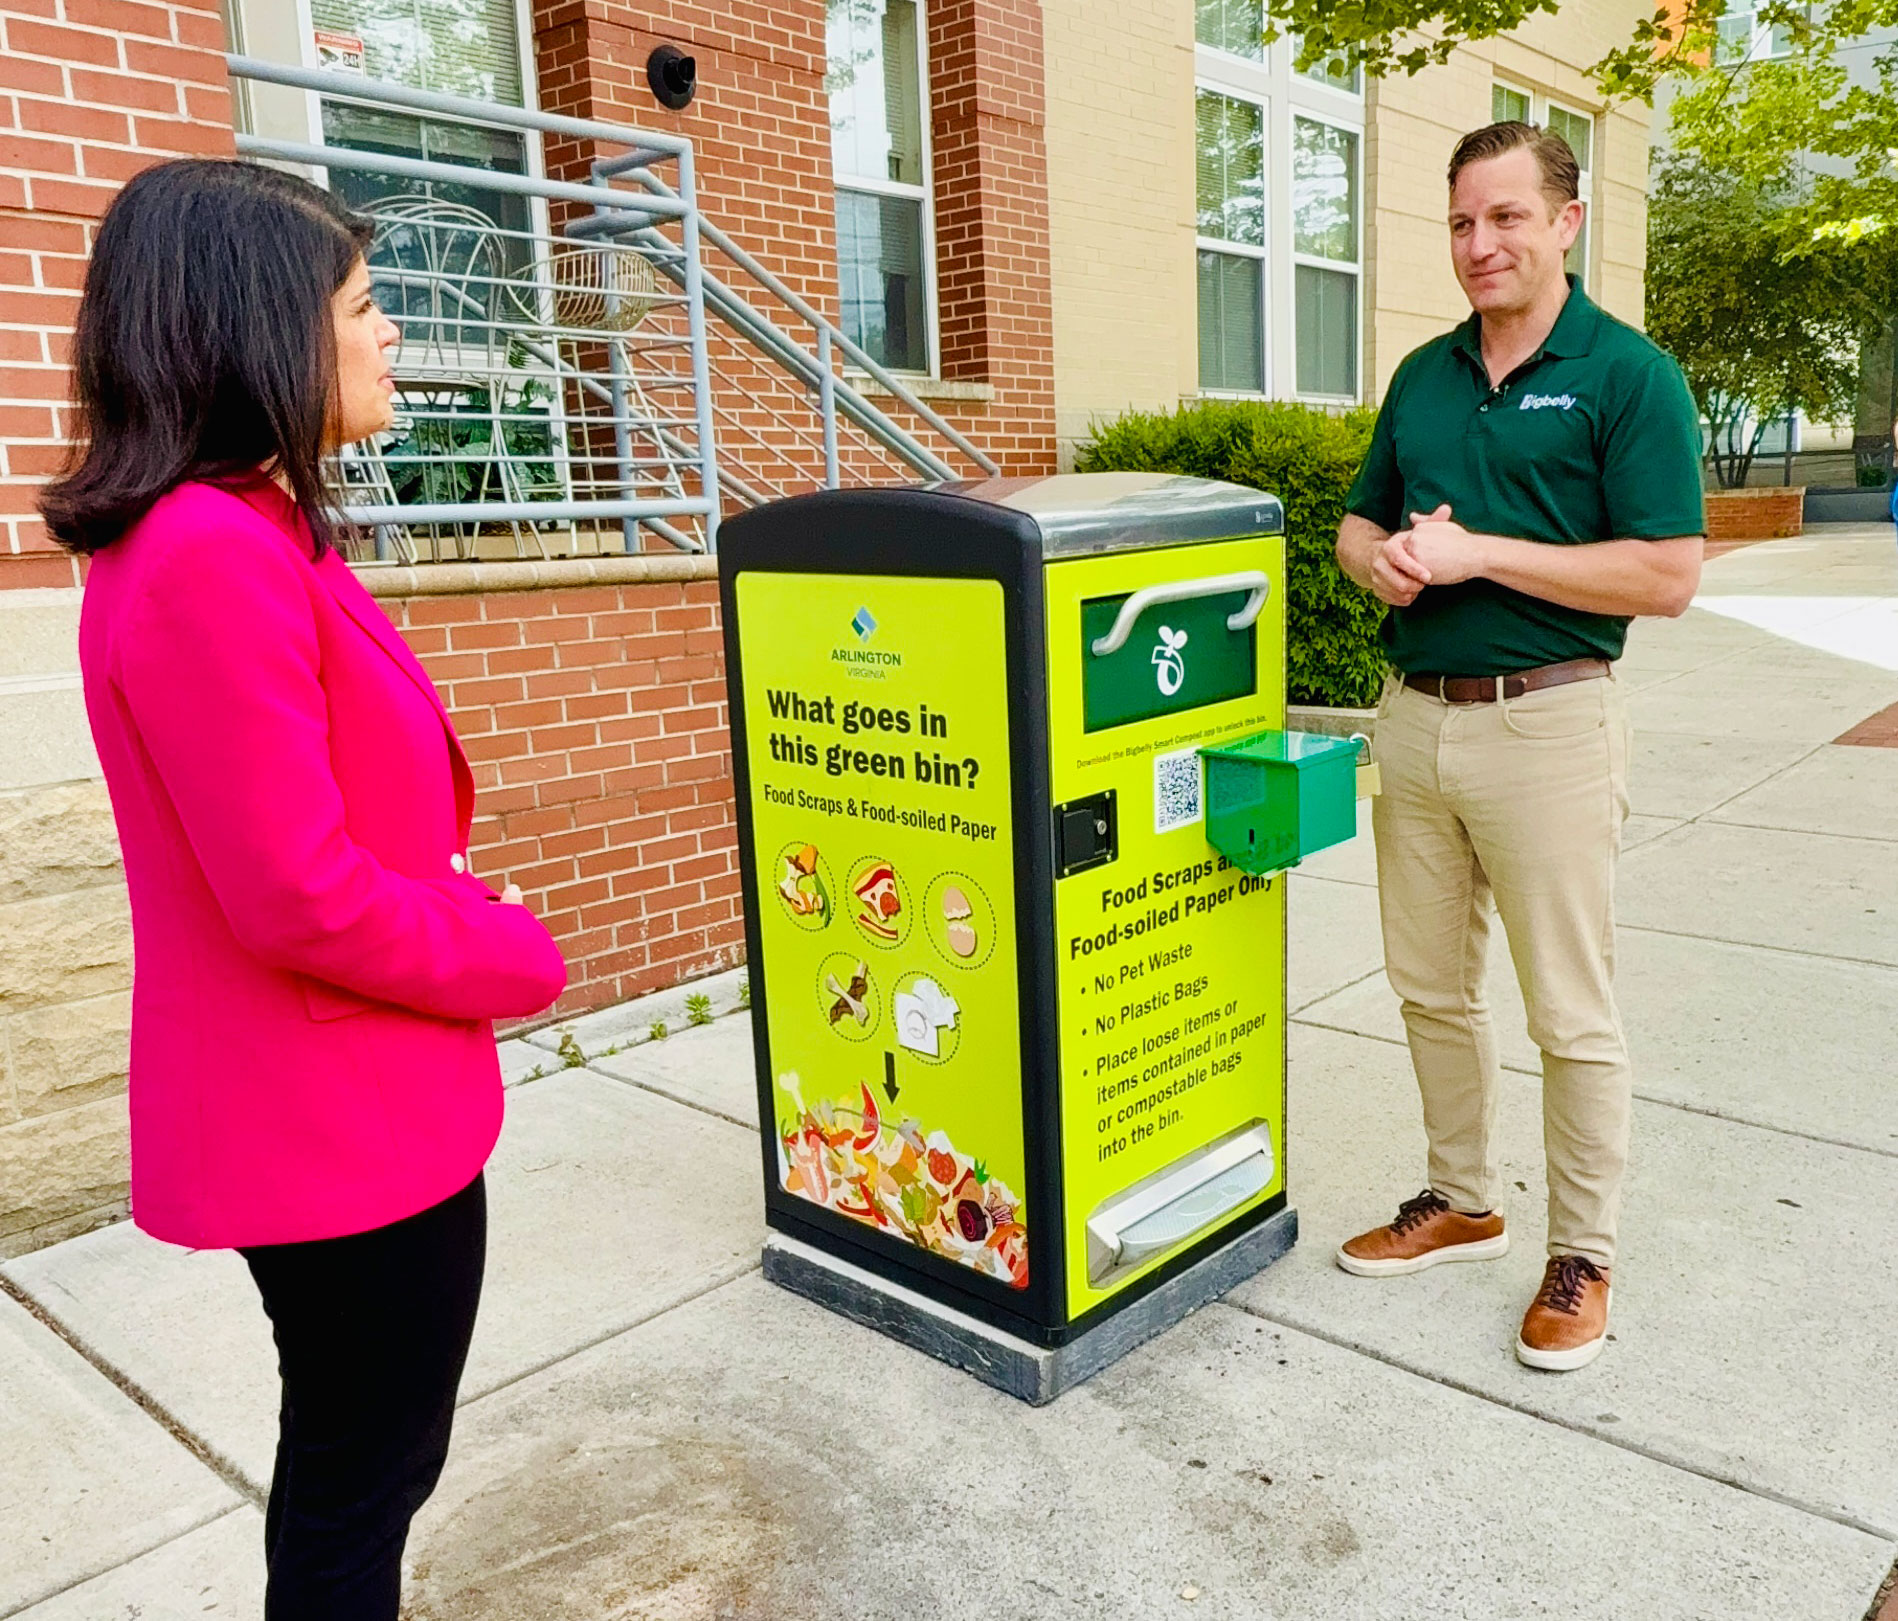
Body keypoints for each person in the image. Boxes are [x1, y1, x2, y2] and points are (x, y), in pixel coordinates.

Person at [41, 161, 569, 1616]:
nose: (394, 331)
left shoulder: (243, 529)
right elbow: (295, 894)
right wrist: (506, 950)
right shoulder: (209, 550)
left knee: (371, 1460)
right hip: (330, 1130)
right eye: (364, 304)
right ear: (258, 333)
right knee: (360, 1477)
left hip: (348, 1100)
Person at [1331, 122, 1705, 1371]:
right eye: (1457, 223)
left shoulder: (1626, 376)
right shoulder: (1423, 375)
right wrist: (1377, 562)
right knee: (1427, 983)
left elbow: (1662, 575)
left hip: (1549, 717)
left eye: (1502, 218)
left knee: (1567, 1011)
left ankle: (1582, 1250)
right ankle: (1460, 1199)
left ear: (1564, 222)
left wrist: (1482, 552)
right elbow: (1354, 522)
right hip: (1417, 713)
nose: (1477, 245)